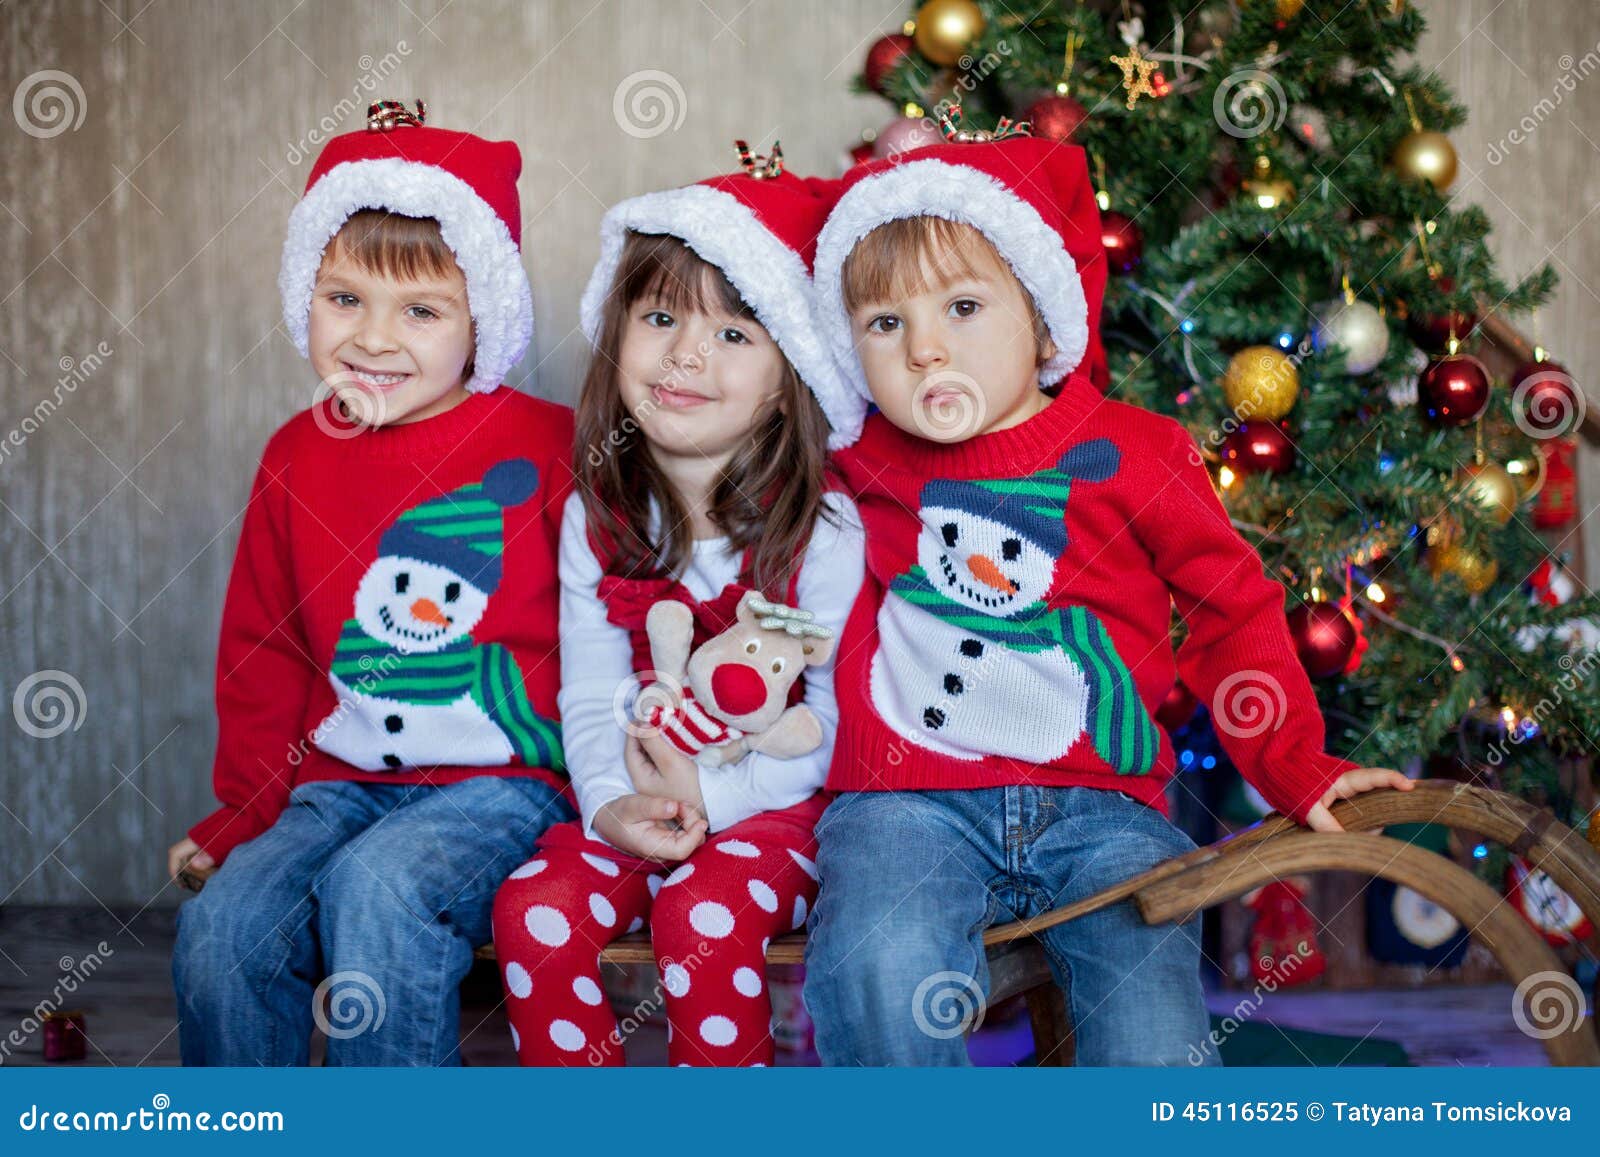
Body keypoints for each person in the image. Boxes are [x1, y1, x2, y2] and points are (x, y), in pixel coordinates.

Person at [801, 132, 1411, 1065]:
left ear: (1045, 322)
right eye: (884, 324)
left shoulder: (1139, 451)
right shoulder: (860, 463)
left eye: (962, 307)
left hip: (1103, 809)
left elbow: (1232, 609)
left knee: (1153, 1034)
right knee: (876, 968)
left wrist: (1293, 761)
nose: (924, 350)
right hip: (905, 801)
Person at [169, 104, 576, 1066]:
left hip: (505, 786)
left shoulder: (551, 447)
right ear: (302, 293)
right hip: (337, 785)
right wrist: (242, 818)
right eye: (343, 299)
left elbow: (620, 614)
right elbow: (263, 652)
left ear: (485, 319)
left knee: (381, 890)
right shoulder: (295, 456)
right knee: (224, 932)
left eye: (421, 311)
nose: (373, 338)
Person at [491, 153, 865, 1066]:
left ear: (790, 374)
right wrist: (614, 804)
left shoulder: (827, 527)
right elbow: (586, 692)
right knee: (533, 914)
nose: (687, 355)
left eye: (736, 334)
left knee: (700, 916)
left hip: (784, 811)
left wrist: (718, 793)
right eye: (660, 319)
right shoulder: (600, 515)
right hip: (643, 794)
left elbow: (835, 726)